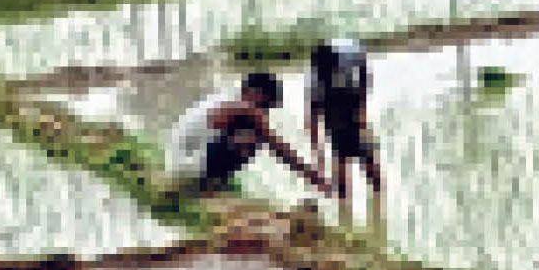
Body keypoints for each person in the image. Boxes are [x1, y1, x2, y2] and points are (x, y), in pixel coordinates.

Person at [163, 69, 334, 200]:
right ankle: (206, 187)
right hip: (184, 167)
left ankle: (206, 186)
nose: (265, 111)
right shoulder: (243, 107)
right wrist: (314, 177)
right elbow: (279, 147)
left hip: (178, 165)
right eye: (267, 105)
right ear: (257, 93)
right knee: (250, 140)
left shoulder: (226, 98)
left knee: (248, 136)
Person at [306, 34, 385, 211]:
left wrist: (362, 111)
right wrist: (317, 155)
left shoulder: (351, 55)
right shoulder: (314, 81)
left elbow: (364, 77)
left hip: (352, 102)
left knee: (367, 155)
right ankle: (342, 202)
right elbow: (313, 116)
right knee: (340, 155)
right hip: (333, 109)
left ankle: (379, 200)